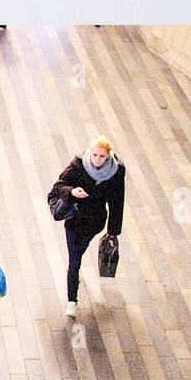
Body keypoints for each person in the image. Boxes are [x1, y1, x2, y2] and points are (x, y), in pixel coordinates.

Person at [48, 135, 125, 319]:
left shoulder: (116, 172)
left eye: (102, 156)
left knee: (77, 254)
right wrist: (72, 192)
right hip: (74, 220)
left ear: (109, 156)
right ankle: (72, 300)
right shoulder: (79, 164)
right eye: (95, 155)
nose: (97, 160)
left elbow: (117, 202)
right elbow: (59, 186)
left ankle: (74, 276)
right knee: (74, 260)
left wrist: (113, 233)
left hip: (95, 223)